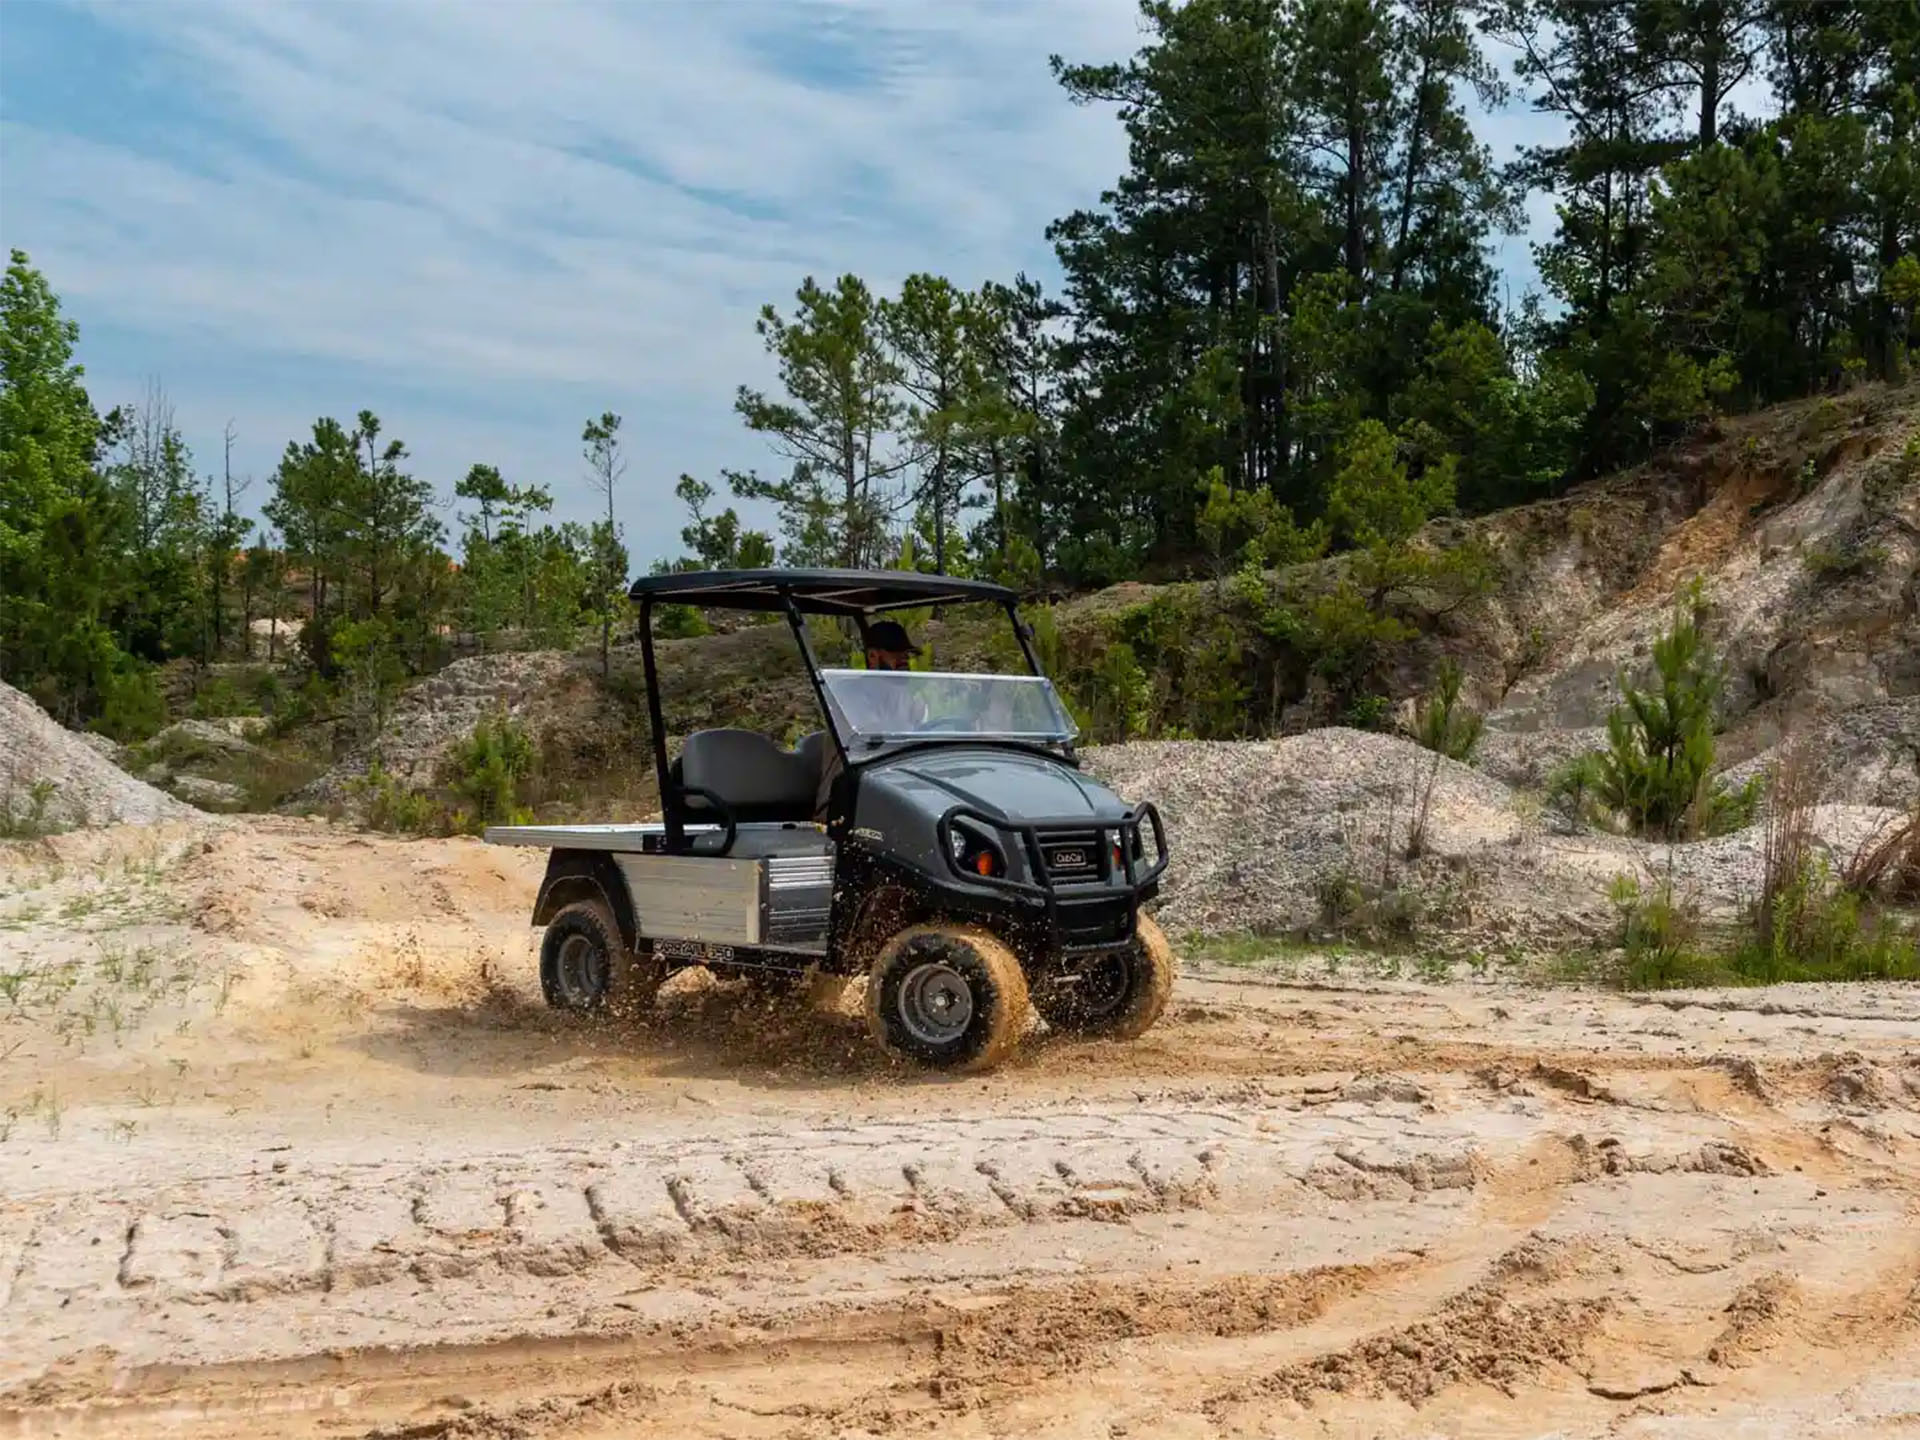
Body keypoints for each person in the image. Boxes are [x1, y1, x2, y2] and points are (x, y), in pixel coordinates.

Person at [814, 619, 916, 818]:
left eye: (907, 653)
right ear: (873, 656)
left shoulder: (908, 699)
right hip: (844, 802)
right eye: (895, 652)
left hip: (896, 793)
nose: (904, 659)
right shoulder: (848, 694)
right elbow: (875, 738)